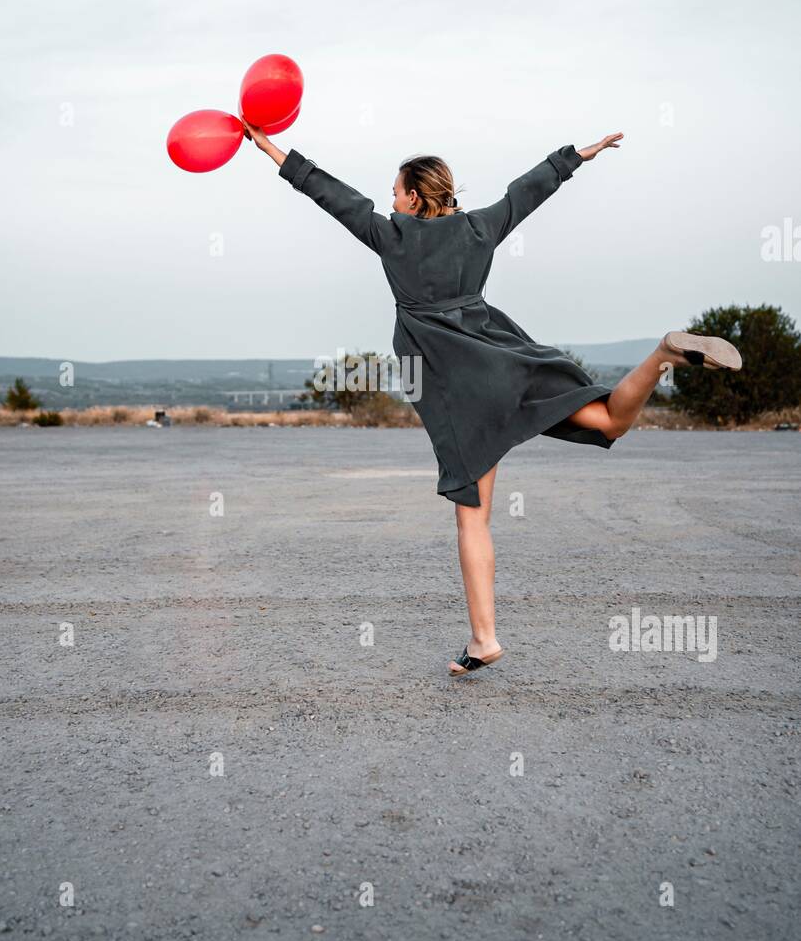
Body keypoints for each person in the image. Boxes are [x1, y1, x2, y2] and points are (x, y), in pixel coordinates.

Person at [242, 122, 742, 677]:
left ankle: (485, 639)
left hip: (459, 392)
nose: (389, 199)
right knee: (610, 422)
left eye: (394, 191)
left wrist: (269, 148)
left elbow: (326, 192)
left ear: (412, 196)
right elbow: (526, 192)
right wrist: (577, 154)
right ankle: (661, 357)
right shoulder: (479, 228)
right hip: (506, 362)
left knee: (473, 520)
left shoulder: (391, 235)